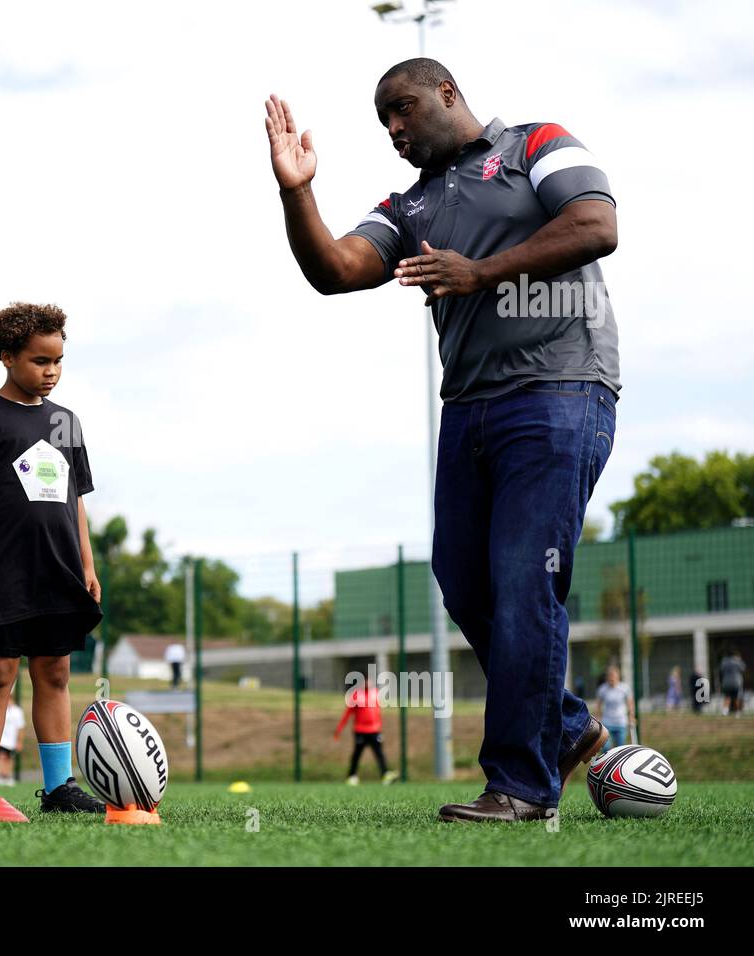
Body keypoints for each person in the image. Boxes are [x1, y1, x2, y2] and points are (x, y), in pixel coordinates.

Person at [266, 59, 620, 823]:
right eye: (382, 121)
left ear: (448, 94)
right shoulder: (411, 206)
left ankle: (521, 786)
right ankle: (562, 728)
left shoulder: (536, 145)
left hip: (560, 389)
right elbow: (335, 268)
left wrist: (482, 271)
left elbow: (598, 225)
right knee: (462, 578)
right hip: (469, 408)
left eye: (402, 109)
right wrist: (298, 192)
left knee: (526, 579)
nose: (393, 129)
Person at [0, 302, 106, 817]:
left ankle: (59, 789)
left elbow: (76, 500)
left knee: (54, 672)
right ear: (7, 357)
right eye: (39, 361)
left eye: (57, 361)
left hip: (59, 570)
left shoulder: (66, 422)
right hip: (1, 570)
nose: (50, 371)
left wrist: (87, 565)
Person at [334, 673, 396, 785]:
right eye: (365, 680)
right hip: (360, 730)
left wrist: (380, 728)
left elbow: (377, 713)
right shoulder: (356, 695)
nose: (367, 682)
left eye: (368, 680)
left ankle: (385, 775)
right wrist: (339, 729)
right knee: (357, 754)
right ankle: (351, 776)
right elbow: (348, 713)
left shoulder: (375, 694)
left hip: (374, 730)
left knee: (379, 753)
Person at [595, 666, 635, 751]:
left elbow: (630, 704)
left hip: (621, 722)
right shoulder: (602, 689)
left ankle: (617, 764)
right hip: (607, 723)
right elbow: (598, 704)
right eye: (610, 677)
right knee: (605, 747)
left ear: (618, 677)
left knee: (619, 748)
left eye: (613, 677)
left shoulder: (624, 688)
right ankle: (607, 763)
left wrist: (631, 717)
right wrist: (597, 717)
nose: (611, 679)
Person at [0, 697, 26, 787]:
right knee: (2, 757)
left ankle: (7, 776)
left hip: (12, 740)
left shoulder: (17, 711)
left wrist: (19, 741)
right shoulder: (0, 710)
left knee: (9, 759)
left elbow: (20, 727)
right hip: (2, 740)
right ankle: (0, 776)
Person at [719, 648, 746, 716]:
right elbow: (743, 668)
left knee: (727, 697)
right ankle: (738, 712)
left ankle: (725, 711)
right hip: (736, 682)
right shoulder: (737, 661)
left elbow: (721, 670)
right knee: (737, 697)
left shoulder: (724, 661)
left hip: (726, 682)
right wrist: (739, 659)